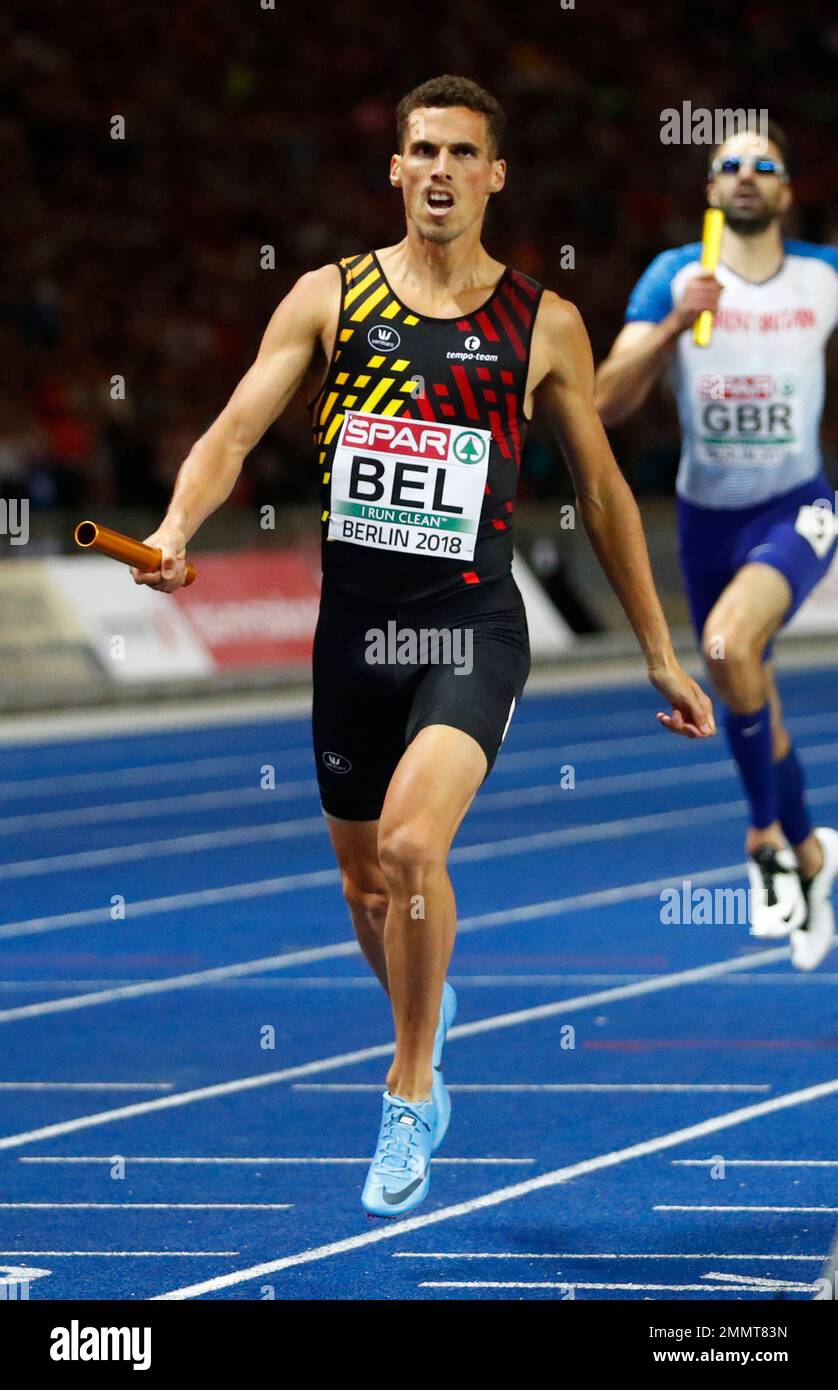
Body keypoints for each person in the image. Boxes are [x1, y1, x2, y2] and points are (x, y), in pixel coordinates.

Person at [132, 74, 714, 1217]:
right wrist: (173, 528)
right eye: (421, 152)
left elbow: (600, 496)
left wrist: (658, 648)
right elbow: (235, 427)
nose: (439, 170)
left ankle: (411, 1090)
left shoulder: (541, 323)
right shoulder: (327, 297)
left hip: (469, 628)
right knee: (362, 884)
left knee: (408, 846)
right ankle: (422, 1000)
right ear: (395, 170)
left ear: (495, 175)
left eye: (461, 153)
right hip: (352, 634)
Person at [595, 121, 838, 971]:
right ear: (709, 190)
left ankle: (766, 835)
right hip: (707, 519)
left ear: (785, 191)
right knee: (743, 679)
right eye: (726, 164)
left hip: (797, 507)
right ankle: (812, 853)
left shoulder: (822, 275)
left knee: (730, 647)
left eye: (763, 164)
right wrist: (673, 326)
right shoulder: (674, 277)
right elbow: (602, 402)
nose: (744, 174)